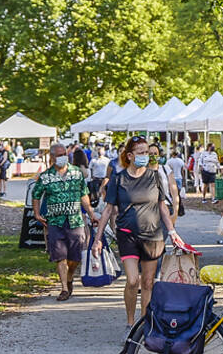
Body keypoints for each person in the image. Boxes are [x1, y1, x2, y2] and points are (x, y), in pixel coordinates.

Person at [96, 136, 188, 323]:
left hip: (153, 236)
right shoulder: (118, 179)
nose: (145, 156)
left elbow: (162, 206)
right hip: (127, 235)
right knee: (132, 281)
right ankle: (131, 322)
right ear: (130, 156)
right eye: (141, 153)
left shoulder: (154, 177)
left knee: (148, 282)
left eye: (146, 152)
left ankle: (144, 324)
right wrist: (98, 238)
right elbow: (107, 210)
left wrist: (172, 232)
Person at [31, 141, 95, 300]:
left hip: (75, 220)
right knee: (60, 256)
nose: (62, 158)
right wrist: (37, 213)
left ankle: (70, 277)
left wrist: (92, 214)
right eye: (59, 155)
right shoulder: (46, 176)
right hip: (55, 221)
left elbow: (83, 194)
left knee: (75, 257)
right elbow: (36, 195)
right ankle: (64, 289)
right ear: (52, 157)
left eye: (64, 154)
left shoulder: (76, 173)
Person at [165, 147, 187, 215]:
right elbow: (182, 171)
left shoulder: (169, 161)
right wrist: (184, 181)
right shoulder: (180, 161)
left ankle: (174, 208)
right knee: (177, 195)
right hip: (179, 178)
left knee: (172, 195)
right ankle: (178, 208)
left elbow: (167, 171)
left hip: (172, 178)